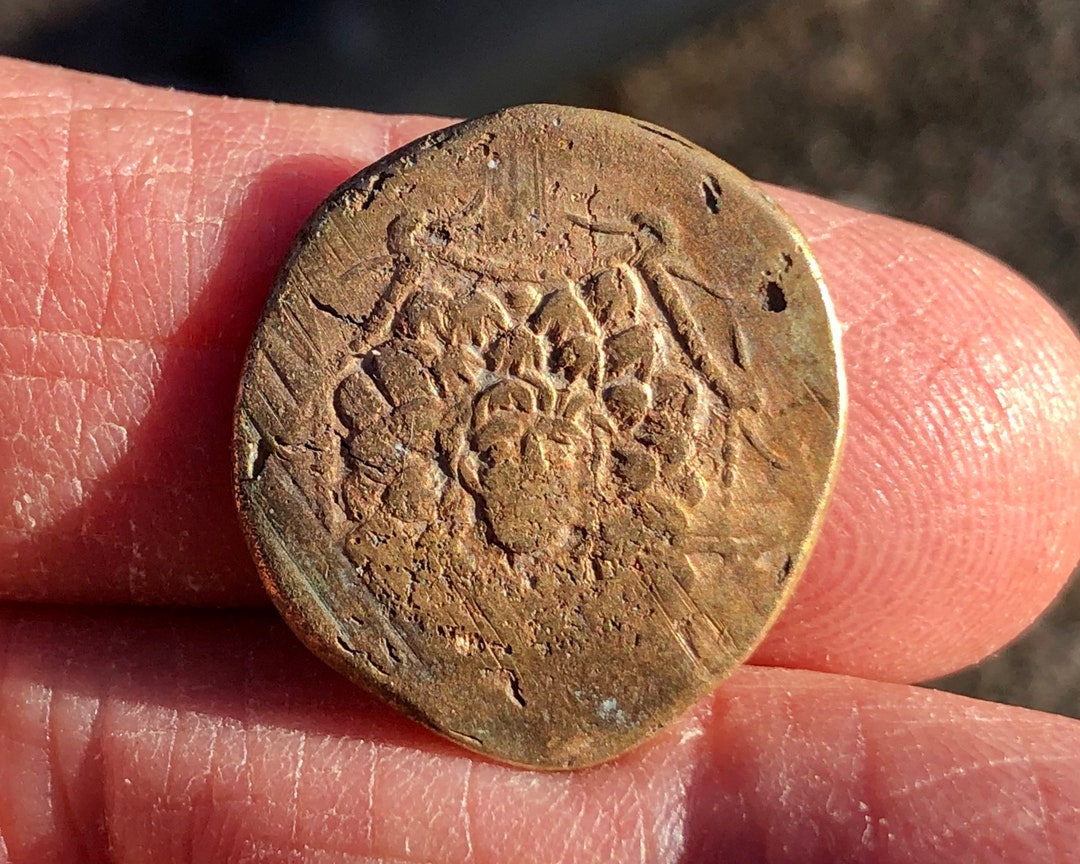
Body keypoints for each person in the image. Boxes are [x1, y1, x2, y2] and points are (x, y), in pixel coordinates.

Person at [1, 56, 1079, 862]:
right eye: (516, 453)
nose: (535, 476)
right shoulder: (413, 456)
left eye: (548, 452)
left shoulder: (634, 447)